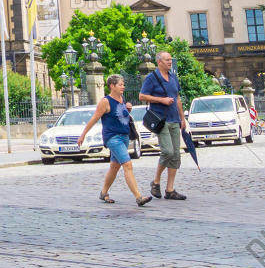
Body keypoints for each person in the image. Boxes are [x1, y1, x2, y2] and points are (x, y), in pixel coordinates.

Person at [78, 75, 152, 207]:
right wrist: (83, 134)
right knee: (127, 165)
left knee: (114, 166)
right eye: (120, 84)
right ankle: (138, 197)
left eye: (123, 84)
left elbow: (121, 116)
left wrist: (127, 109)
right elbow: (94, 118)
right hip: (113, 137)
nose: (123, 86)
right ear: (112, 86)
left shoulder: (121, 99)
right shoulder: (105, 101)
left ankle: (104, 193)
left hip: (124, 136)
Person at [140, 50, 188, 200]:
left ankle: (170, 189)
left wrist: (182, 118)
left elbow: (177, 98)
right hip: (161, 119)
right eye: (167, 60)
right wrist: (162, 100)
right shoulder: (151, 77)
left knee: (176, 155)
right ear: (159, 62)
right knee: (167, 151)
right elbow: (142, 96)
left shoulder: (173, 77)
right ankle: (155, 181)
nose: (170, 62)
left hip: (174, 119)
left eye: (171, 60)